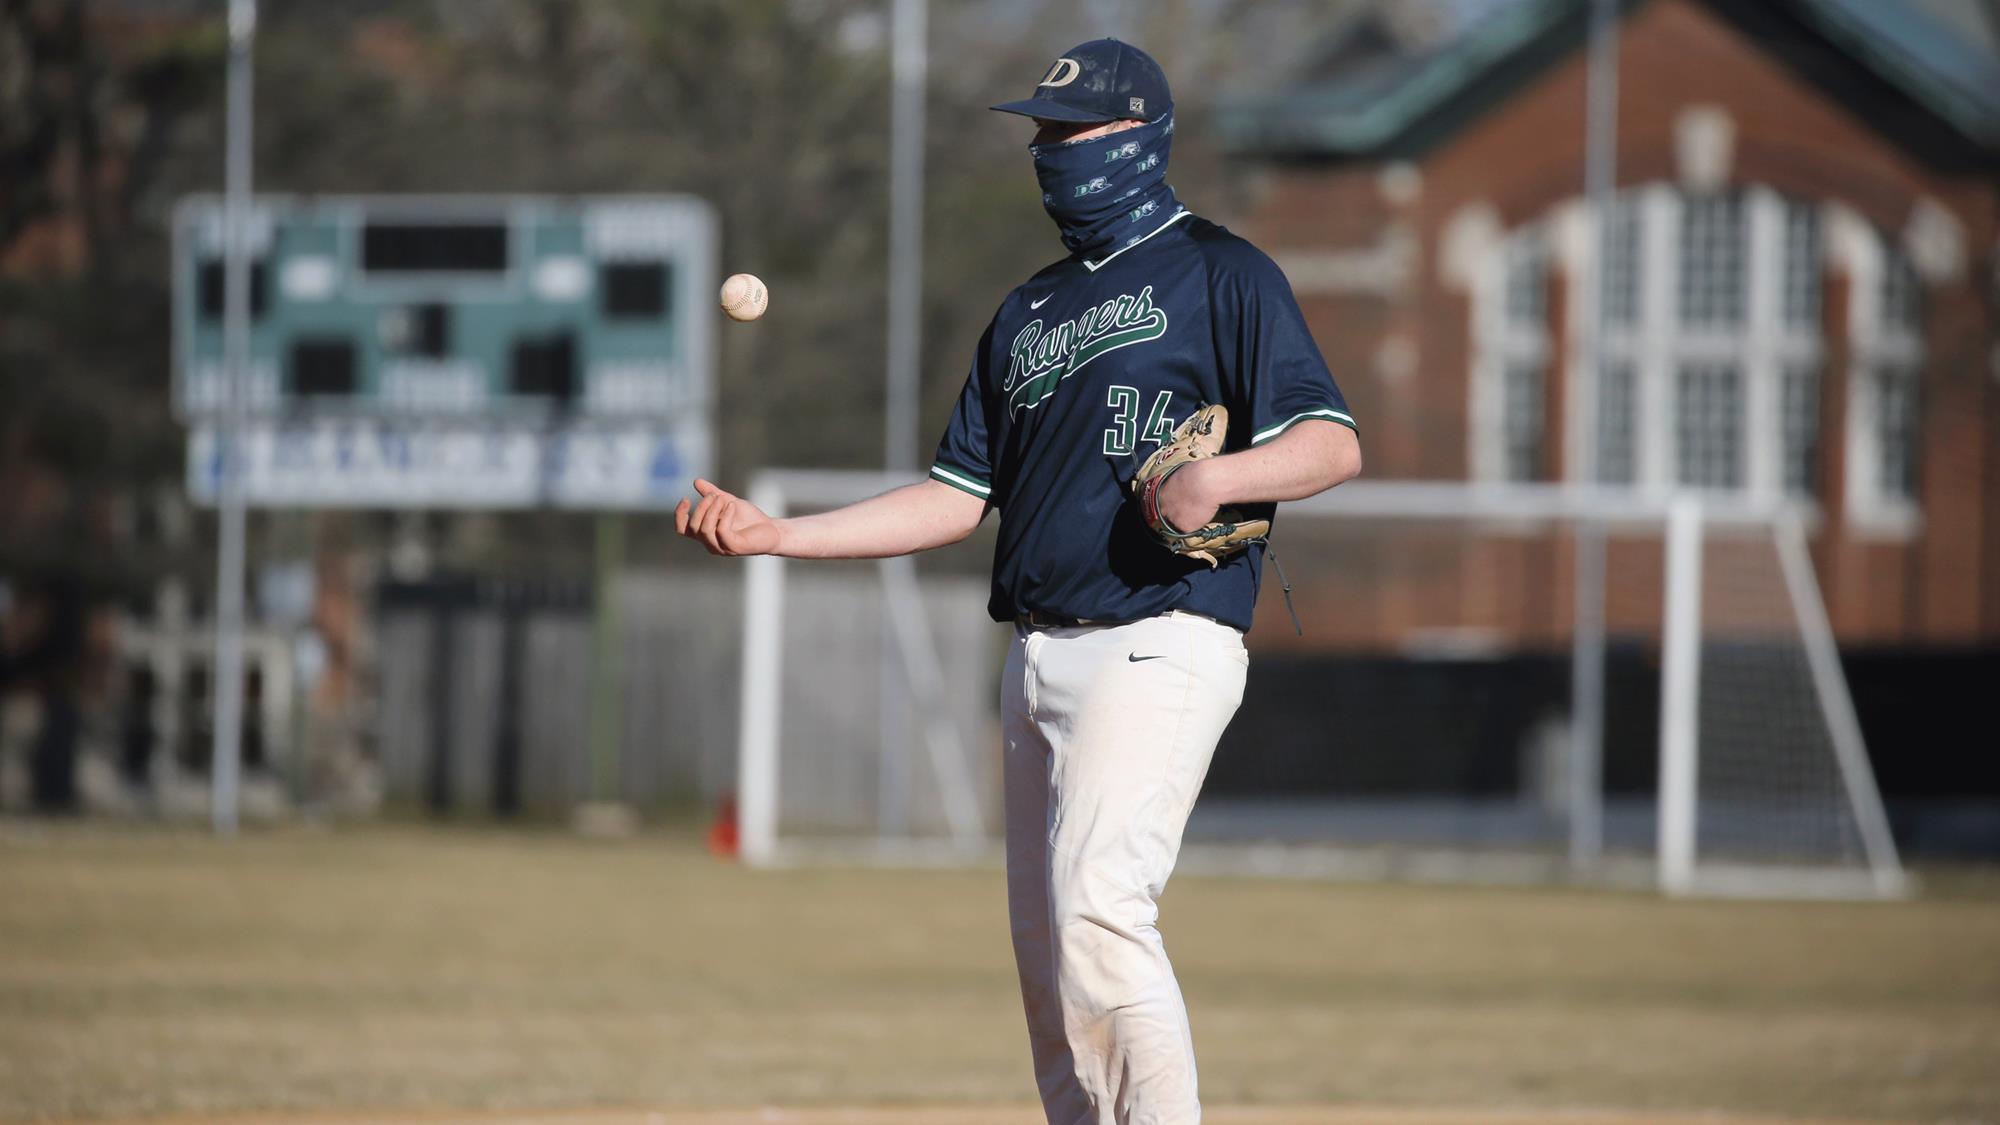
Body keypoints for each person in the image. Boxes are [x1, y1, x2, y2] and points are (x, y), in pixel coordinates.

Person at [676, 38, 1360, 1125]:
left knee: (1099, 910)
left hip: (1158, 637)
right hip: (1036, 657)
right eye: (1041, 134)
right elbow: (954, 498)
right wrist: (776, 536)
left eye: (1068, 131)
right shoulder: (1025, 315)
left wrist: (1216, 479)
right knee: (1049, 968)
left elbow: (1327, 444)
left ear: (1138, 138)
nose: (1048, 153)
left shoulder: (1222, 273)